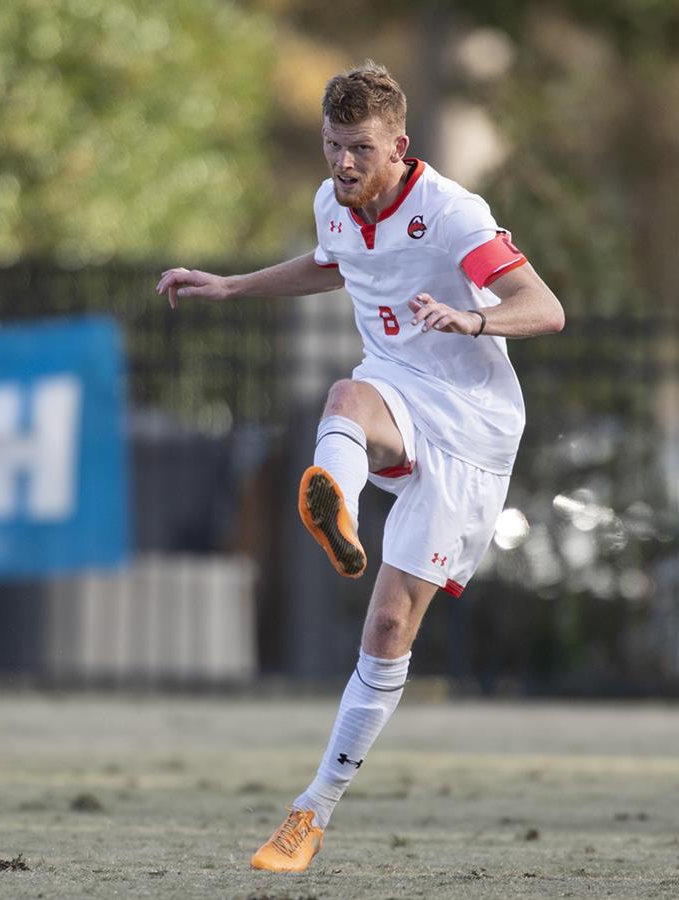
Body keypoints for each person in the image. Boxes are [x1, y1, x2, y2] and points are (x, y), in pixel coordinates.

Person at [154, 61, 565, 873]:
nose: (343, 164)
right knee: (347, 391)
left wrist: (471, 318)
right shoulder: (332, 201)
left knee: (385, 629)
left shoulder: (449, 214)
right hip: (395, 388)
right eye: (332, 146)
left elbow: (545, 308)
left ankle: (313, 811)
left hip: (473, 426)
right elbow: (333, 262)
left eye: (360, 149)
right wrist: (232, 286)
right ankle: (334, 508)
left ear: (399, 146)